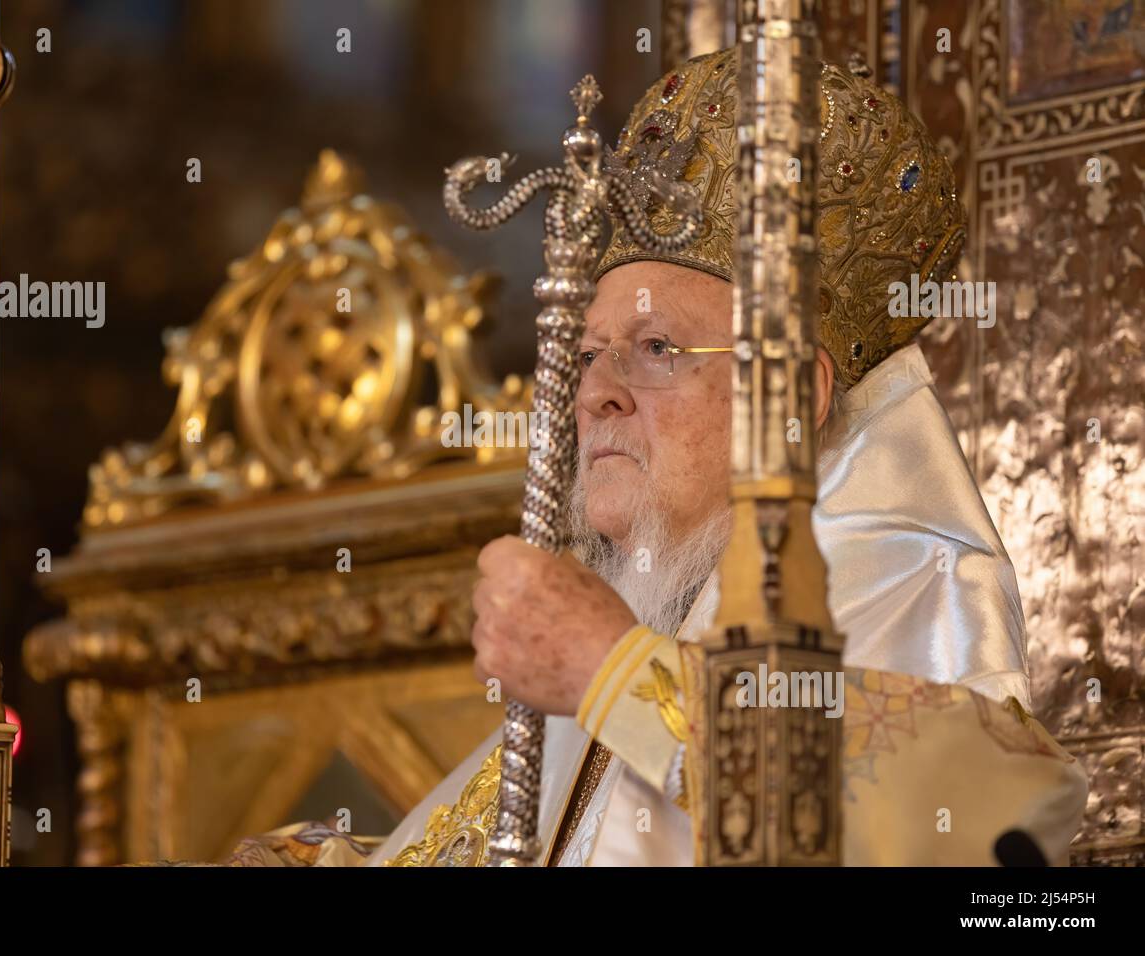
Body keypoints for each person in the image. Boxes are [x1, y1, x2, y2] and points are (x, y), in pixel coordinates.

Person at [355, 46, 1086, 867]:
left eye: (658, 345)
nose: (597, 392)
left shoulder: (911, 583)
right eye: (589, 353)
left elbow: (989, 828)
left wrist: (620, 678)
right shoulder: (646, 604)